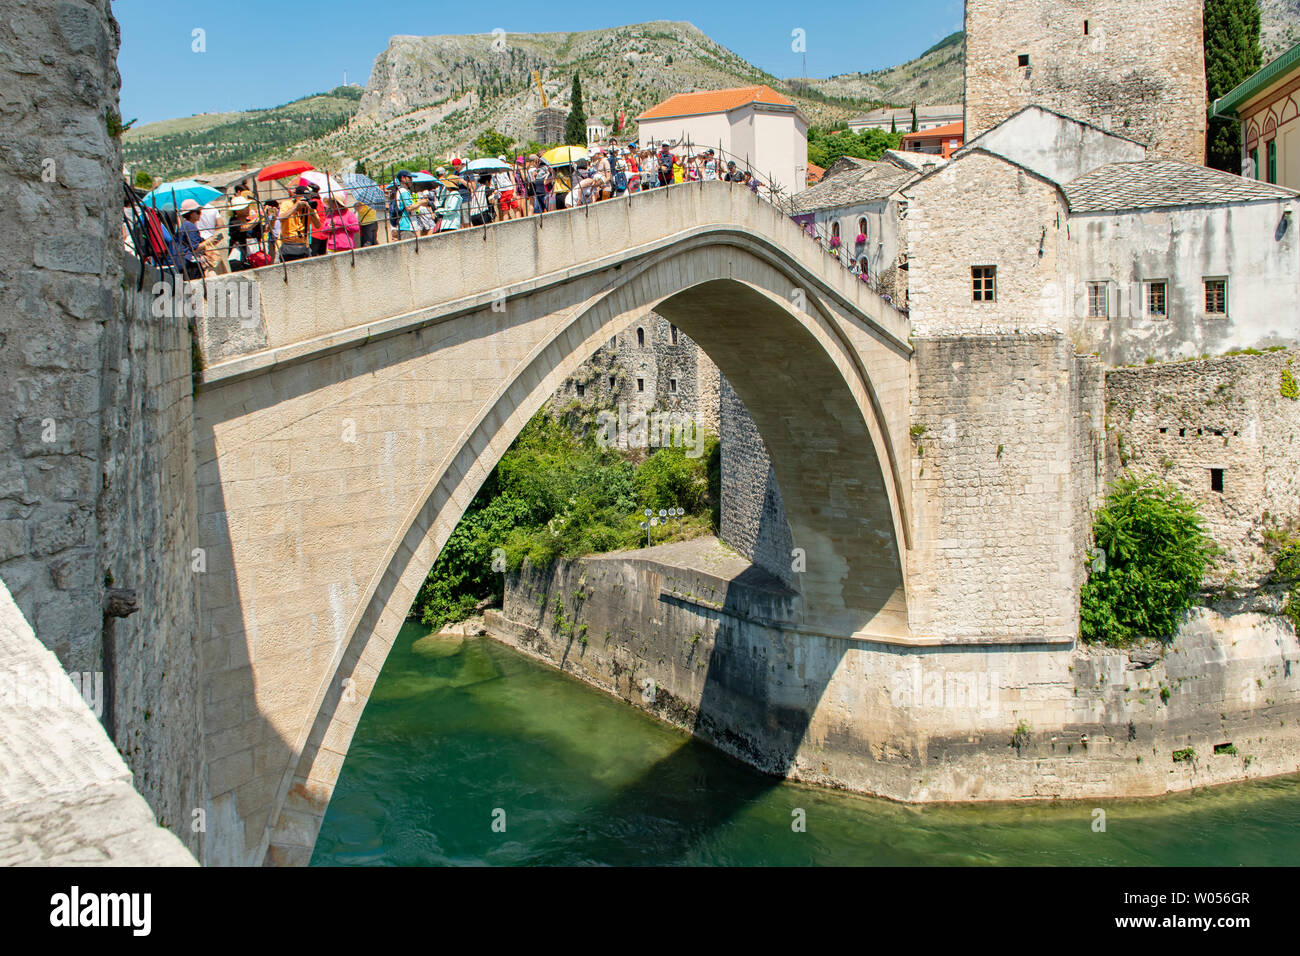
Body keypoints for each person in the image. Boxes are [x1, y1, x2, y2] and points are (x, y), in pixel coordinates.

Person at [276, 185, 320, 262]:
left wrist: (312, 211)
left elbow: (318, 226)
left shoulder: (308, 206)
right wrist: (295, 207)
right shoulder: (287, 204)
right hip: (288, 244)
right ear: (296, 196)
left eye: (307, 196)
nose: (305, 199)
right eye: (303, 197)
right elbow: (281, 218)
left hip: (303, 245)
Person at [177, 198, 215, 279]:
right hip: (191, 263)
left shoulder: (186, 225)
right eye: (197, 212)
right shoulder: (189, 226)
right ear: (191, 214)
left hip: (188, 262)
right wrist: (210, 240)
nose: (200, 214)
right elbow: (195, 248)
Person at [392, 171, 419, 240]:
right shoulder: (404, 192)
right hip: (406, 227)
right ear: (402, 178)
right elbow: (409, 208)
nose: (411, 180)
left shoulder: (402, 191)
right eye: (409, 178)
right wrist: (421, 203)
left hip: (405, 226)